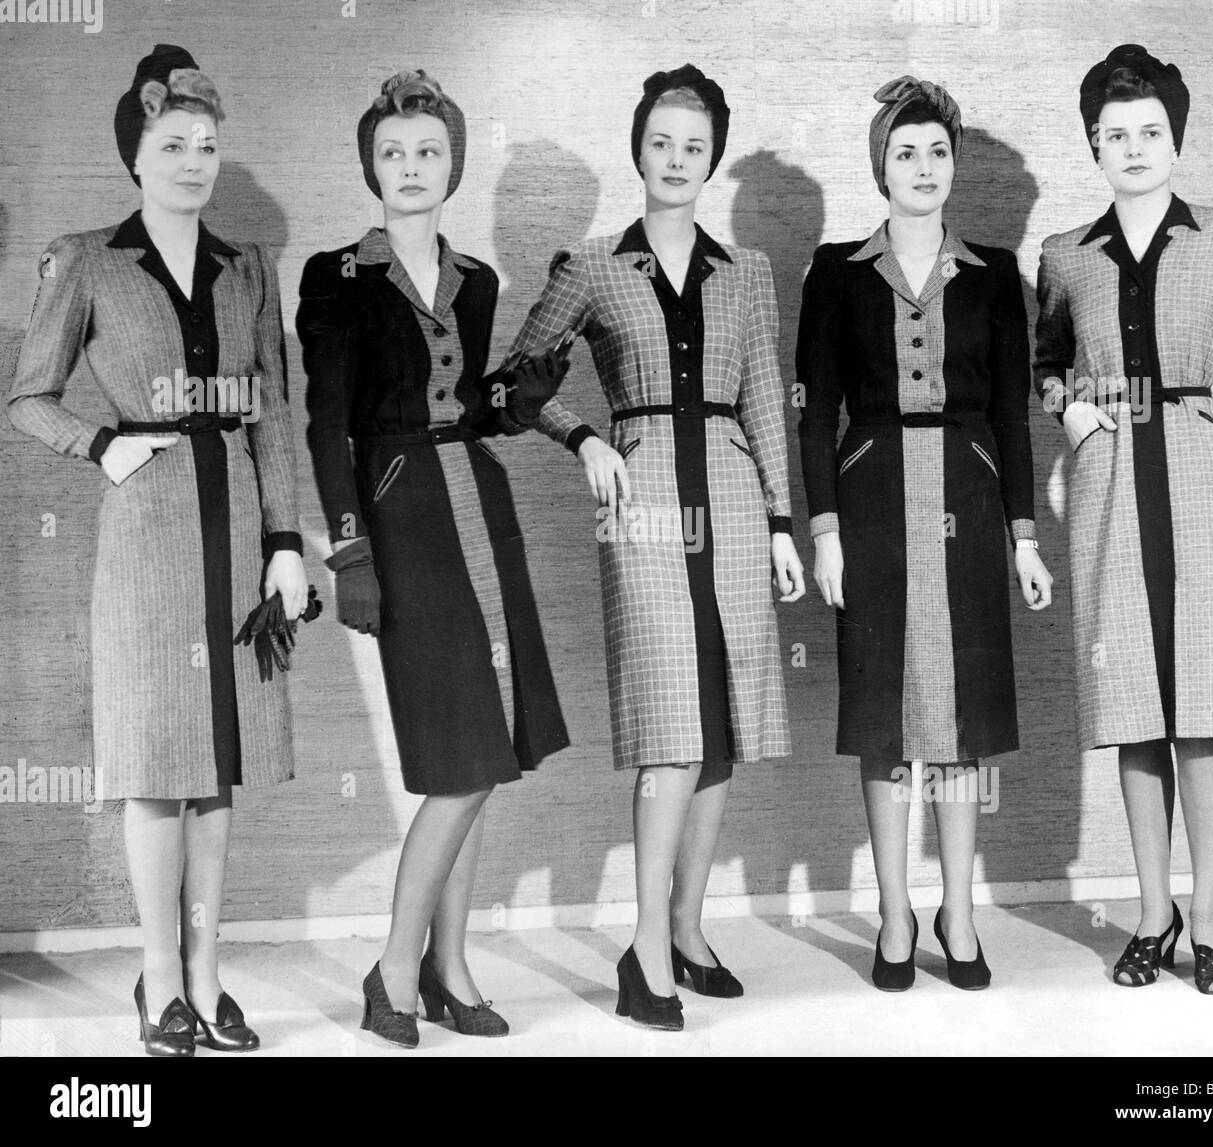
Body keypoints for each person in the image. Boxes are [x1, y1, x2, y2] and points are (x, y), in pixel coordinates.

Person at [7, 44, 307, 1055]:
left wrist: (286, 543)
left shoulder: (249, 271)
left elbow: (274, 416)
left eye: (208, 144)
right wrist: (101, 443)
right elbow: (27, 395)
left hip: (235, 536)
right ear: (135, 153)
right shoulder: (88, 260)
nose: (192, 159)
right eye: (171, 142)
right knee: (153, 765)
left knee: (216, 768)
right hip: (144, 541)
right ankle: (161, 984)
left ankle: (212, 981)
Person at [508, 64, 803, 1030]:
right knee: (671, 724)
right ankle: (642, 950)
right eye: (661, 142)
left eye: (693, 145)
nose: (677, 160)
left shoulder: (748, 272)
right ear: (638, 149)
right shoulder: (592, 266)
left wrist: (780, 520)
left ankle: (686, 927)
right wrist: (583, 436)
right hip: (640, 498)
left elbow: (764, 397)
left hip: (728, 484)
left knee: (720, 725)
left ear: (711, 156)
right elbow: (511, 383)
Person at [299, 70, 570, 1046]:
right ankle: (393, 969)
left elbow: (472, 408)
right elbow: (327, 422)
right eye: (392, 153)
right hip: (400, 517)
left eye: (427, 152)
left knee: (485, 751)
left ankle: (452, 968)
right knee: (458, 759)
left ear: (452, 163)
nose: (410, 169)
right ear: (369, 165)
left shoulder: (480, 281)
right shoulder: (337, 277)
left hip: (480, 511)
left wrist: (523, 399)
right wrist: (347, 546)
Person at [798, 76, 1053, 993]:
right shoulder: (835, 271)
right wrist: (823, 528)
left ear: (955, 164)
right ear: (880, 165)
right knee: (884, 713)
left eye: (938, 151)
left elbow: (1017, 418)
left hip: (970, 503)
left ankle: (958, 908)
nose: (923, 166)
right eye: (905, 152)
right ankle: (897, 912)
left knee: (960, 716)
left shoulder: (993, 274)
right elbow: (812, 412)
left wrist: (1024, 534)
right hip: (869, 506)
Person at [1035, 44, 1213, 995]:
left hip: (1201, 470)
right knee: (1138, 714)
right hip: (1109, 491)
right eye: (1113, 134)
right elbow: (1044, 360)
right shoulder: (1064, 254)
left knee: (1205, 715)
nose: (1131, 148)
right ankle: (1152, 910)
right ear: (1094, 146)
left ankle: (1209, 915)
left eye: (1148, 132)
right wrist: (1066, 405)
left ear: (1176, 140)